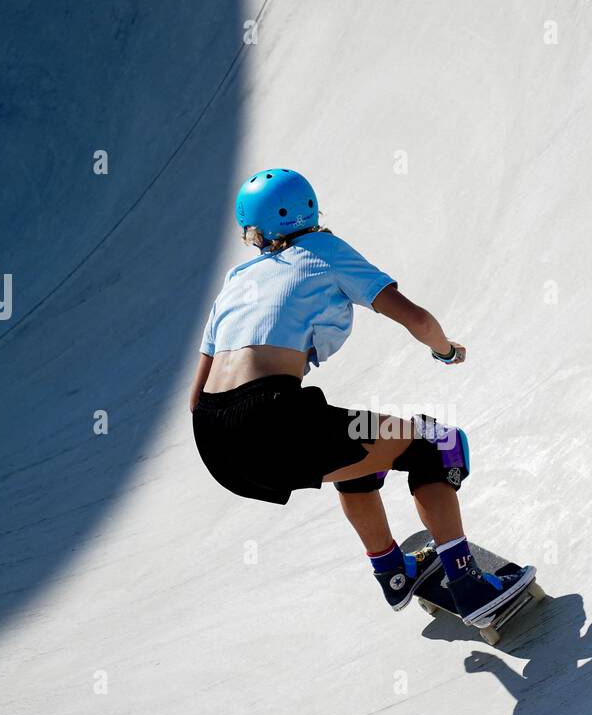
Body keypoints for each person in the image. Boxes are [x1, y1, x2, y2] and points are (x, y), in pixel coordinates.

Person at [190, 168, 534, 627]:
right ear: (309, 209)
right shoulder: (322, 251)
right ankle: (467, 583)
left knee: (360, 450)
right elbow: (415, 316)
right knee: (435, 443)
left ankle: (392, 571)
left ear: (251, 230)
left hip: (215, 442)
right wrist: (445, 350)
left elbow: (197, 397)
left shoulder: (236, 278)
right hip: (272, 418)